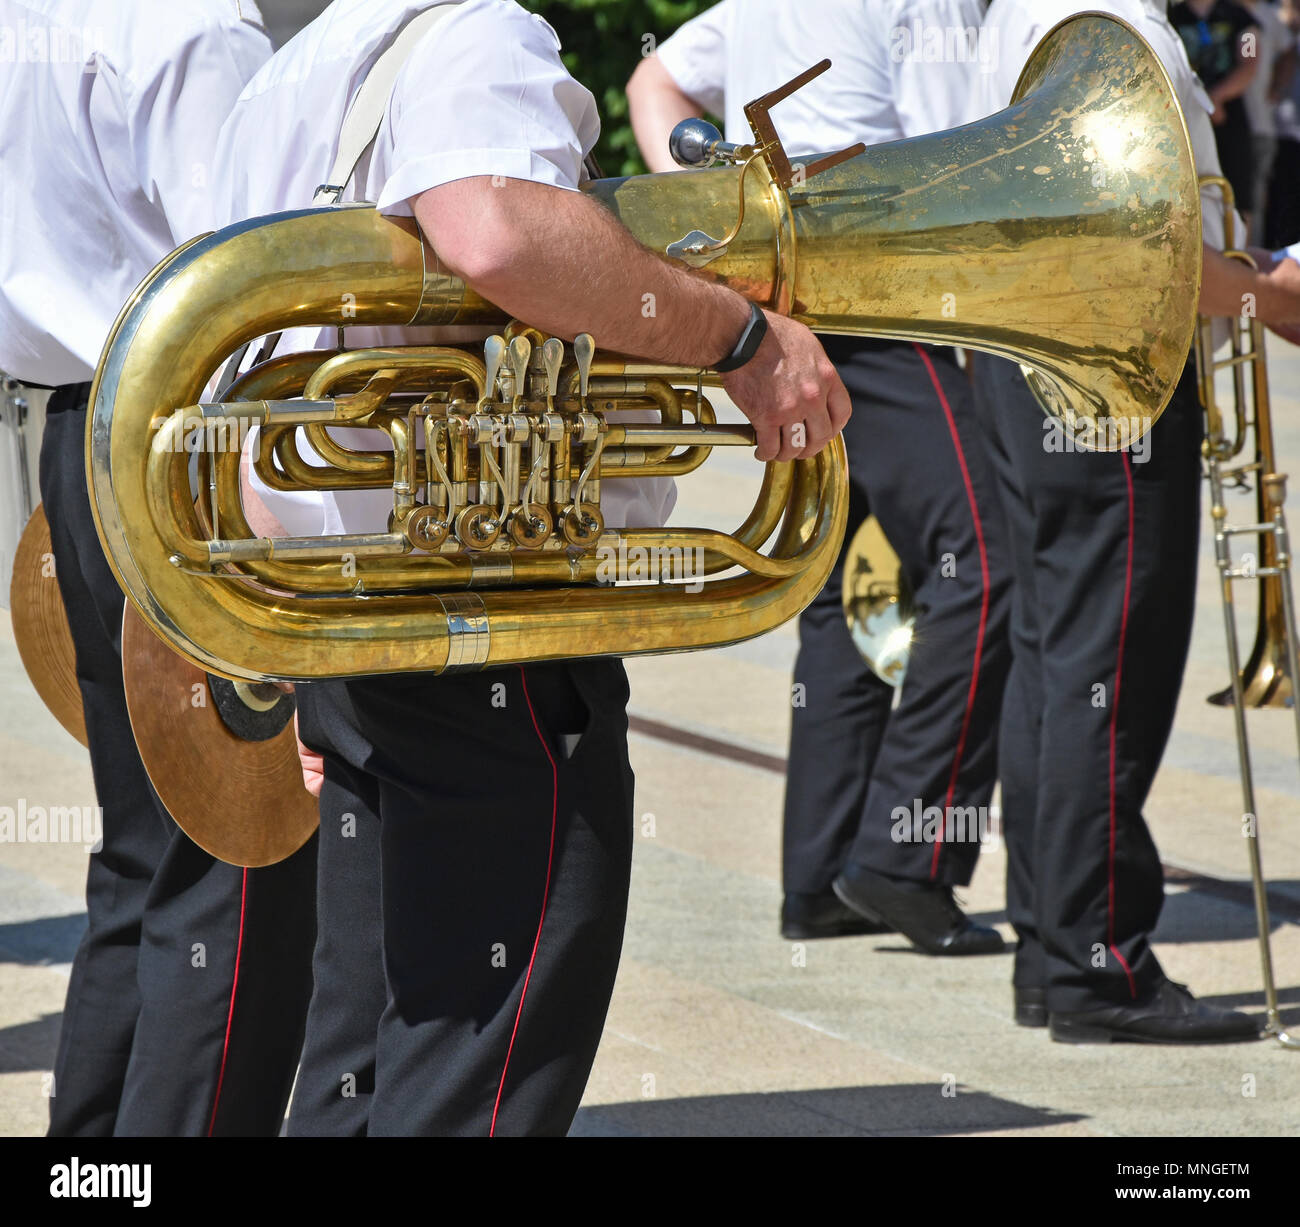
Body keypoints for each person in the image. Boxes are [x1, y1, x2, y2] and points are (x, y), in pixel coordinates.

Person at [209, 0, 850, 1136]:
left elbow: (243, 381)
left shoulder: (291, 74)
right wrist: (739, 339)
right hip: (484, 644)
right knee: (476, 1084)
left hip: (353, 624)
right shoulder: (476, 32)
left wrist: (300, 651)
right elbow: (493, 234)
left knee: (360, 1065)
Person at [628, 0, 1013, 957]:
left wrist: (724, 204)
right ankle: (904, 858)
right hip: (881, 292)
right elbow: (958, 159)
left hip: (800, 289)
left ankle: (822, 874)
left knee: (839, 585)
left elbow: (651, 86)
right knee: (989, 559)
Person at [0, 0, 318, 1135]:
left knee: (147, 851)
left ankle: (90, 1160)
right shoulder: (193, 28)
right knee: (237, 865)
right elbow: (242, 290)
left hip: (76, 429)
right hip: (184, 447)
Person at [971, 0, 1300, 1043]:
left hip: (1030, 363)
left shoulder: (1025, 16)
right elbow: (1133, 248)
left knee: (1054, 652)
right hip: (1105, 372)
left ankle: (1053, 945)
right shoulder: (1110, 26)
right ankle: (1093, 962)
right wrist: (1270, 288)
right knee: (1106, 662)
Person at [1170, 0, 1262, 228]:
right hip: (1184, 120)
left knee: (1239, 197)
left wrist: (1216, 98)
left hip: (1229, 120)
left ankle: (1240, 258)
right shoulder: (1172, 17)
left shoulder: (1240, 17)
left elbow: (1249, 64)